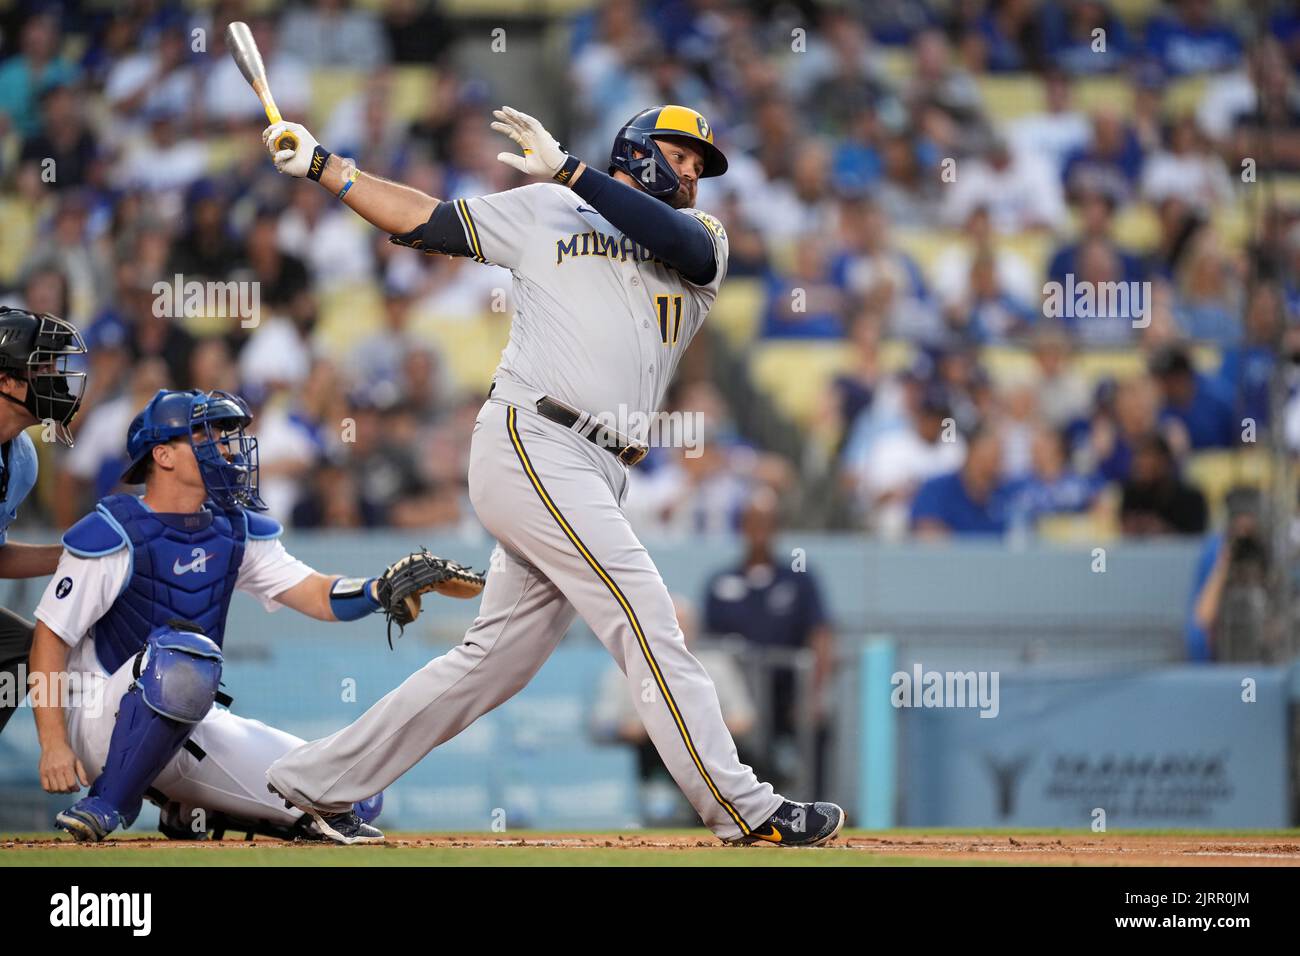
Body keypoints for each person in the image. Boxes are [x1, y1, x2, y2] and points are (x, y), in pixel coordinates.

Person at [257, 103, 846, 847]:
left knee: (488, 665)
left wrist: (573, 169)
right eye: (683, 152)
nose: (695, 170)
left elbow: (679, 243)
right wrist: (325, 167)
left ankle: (309, 785)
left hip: (602, 467)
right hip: (534, 435)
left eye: (703, 162)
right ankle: (744, 807)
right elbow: (426, 223)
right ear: (639, 150)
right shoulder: (547, 209)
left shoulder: (705, 239)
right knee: (644, 610)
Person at [28, 388, 463, 843]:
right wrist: (54, 742)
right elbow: (50, 638)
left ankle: (193, 805)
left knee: (344, 790)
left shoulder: (232, 528)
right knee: (184, 657)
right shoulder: (113, 529)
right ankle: (108, 803)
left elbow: (315, 594)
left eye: (223, 433)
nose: (223, 445)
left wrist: (379, 589)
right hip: (102, 718)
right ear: (163, 455)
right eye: (204, 433)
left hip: (188, 719)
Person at [703, 487, 834, 792]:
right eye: (752, 523)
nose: (759, 532)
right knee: (722, 735)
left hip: (789, 692)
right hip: (739, 694)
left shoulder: (799, 580)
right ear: (741, 527)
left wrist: (812, 695)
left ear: (777, 528)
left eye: (767, 523)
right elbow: (709, 650)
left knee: (817, 728)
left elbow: (821, 636)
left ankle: (815, 807)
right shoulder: (720, 582)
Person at [0, 307, 87, 736]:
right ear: (4, 381)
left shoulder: (22, 458)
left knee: (23, 647)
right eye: (43, 368)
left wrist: (72, 555)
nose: (56, 379)